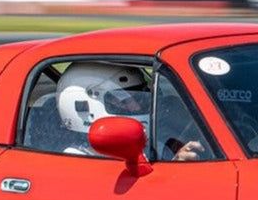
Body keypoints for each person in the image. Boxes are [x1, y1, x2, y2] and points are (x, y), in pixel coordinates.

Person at [55, 61, 204, 160]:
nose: (136, 106)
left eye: (138, 96)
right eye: (123, 101)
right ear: (83, 107)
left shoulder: (153, 146)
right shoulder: (76, 159)